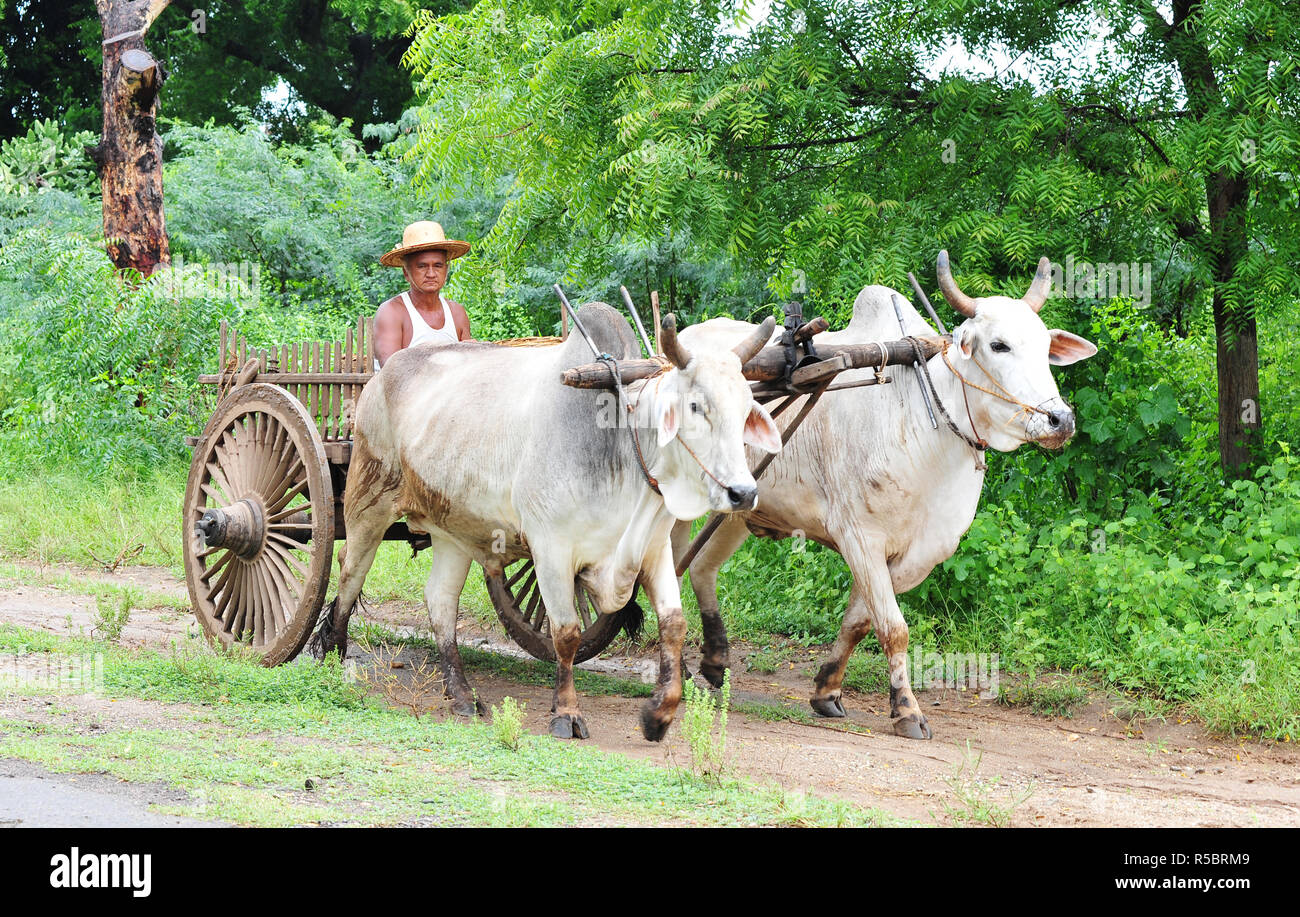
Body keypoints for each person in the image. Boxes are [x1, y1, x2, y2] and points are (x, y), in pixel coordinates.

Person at [374, 221, 473, 367]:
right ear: (406, 273)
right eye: (422, 266)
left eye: (438, 266)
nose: (431, 274)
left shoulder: (457, 313)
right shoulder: (392, 312)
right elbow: (392, 373)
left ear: (446, 270)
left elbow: (468, 366)